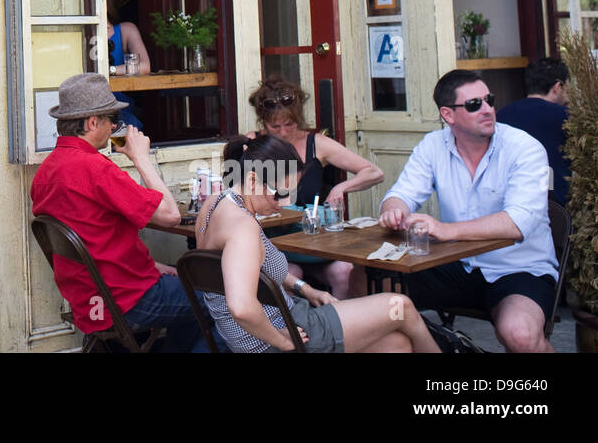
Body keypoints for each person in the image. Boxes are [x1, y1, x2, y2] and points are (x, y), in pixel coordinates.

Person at [196, 134, 439, 353]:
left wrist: (306, 288)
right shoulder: (243, 228)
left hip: (266, 327)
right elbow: (241, 307)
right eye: (279, 193)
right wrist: (283, 340)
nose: (283, 203)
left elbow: (249, 270)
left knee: (397, 345)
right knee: (401, 306)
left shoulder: (215, 203)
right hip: (280, 334)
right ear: (251, 180)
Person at [379, 69, 557, 353]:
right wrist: (394, 211)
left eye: (490, 100)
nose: (487, 109)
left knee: (521, 335)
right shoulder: (433, 145)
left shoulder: (524, 148)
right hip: (458, 265)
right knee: (371, 280)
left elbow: (518, 222)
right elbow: (400, 194)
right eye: (475, 104)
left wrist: (445, 230)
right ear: (448, 115)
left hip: (518, 268)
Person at [30, 73, 207, 351]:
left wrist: (154, 267)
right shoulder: (95, 168)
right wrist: (141, 159)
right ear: (91, 123)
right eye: (110, 119)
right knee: (219, 297)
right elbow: (171, 215)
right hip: (128, 298)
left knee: (182, 283)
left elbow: (94, 240)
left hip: (88, 300)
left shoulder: (46, 171)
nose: (115, 126)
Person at [247, 77, 383, 297]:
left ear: (298, 119)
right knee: (288, 272)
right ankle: (296, 329)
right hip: (276, 244)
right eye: (275, 126)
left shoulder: (316, 143)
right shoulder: (252, 144)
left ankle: (343, 327)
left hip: (316, 244)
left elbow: (375, 172)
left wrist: (342, 188)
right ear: (263, 122)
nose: (283, 133)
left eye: (289, 124)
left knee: (344, 270)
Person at [495, 57, 571, 206]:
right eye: (568, 87)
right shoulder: (565, 116)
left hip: (509, 201)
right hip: (556, 204)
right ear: (557, 87)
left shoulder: (501, 116)